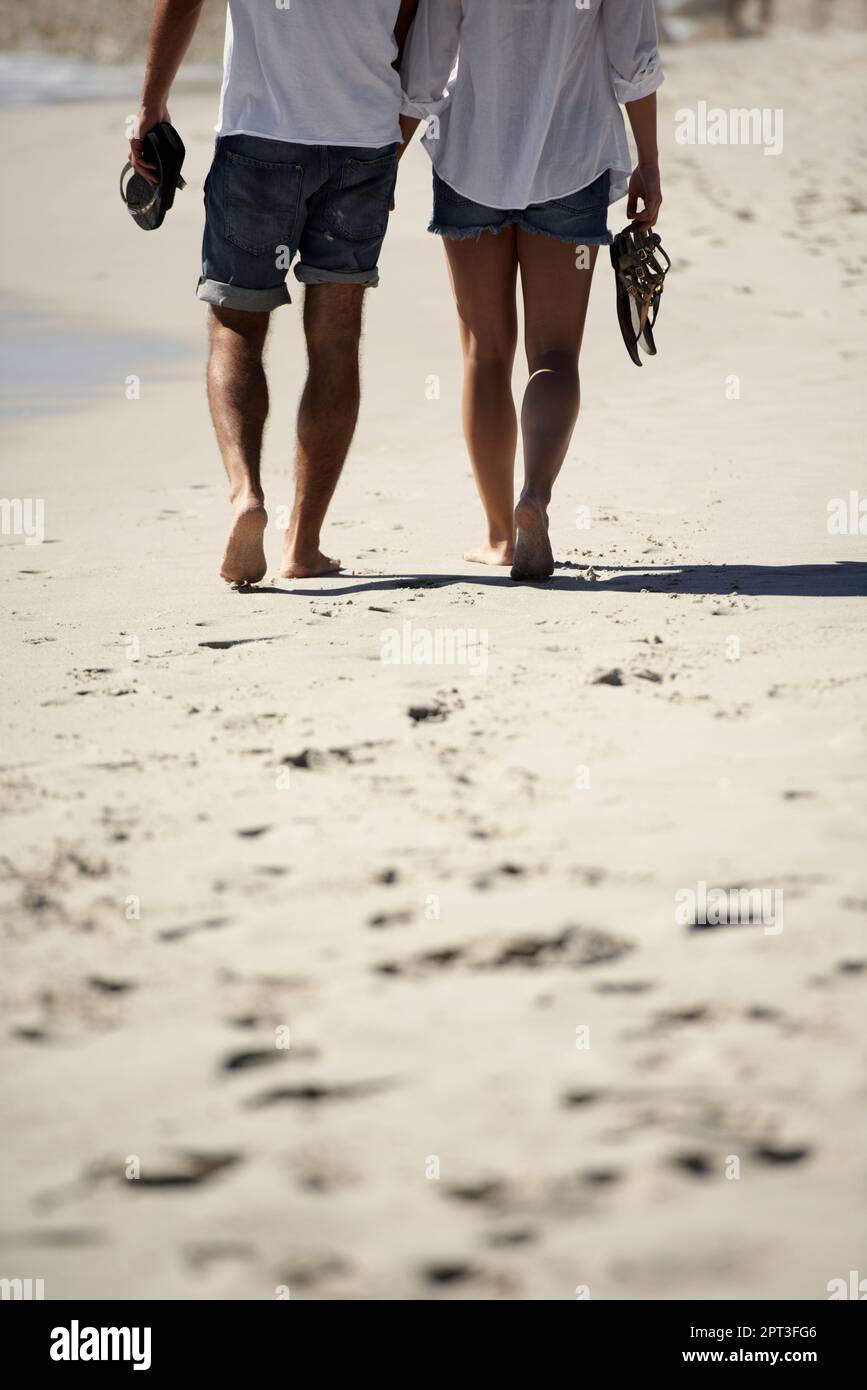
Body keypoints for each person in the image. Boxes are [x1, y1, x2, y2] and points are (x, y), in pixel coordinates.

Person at [129, 0, 419, 584]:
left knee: (236, 326)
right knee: (336, 339)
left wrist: (151, 104)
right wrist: (396, 137)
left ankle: (246, 494)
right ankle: (303, 545)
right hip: (364, 139)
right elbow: (413, 24)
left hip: (260, 136)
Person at [399, 0, 664, 581]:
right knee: (554, 356)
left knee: (485, 355)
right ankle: (535, 499)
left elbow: (425, 68)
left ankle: (498, 535)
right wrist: (649, 162)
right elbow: (633, 62)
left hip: (470, 161)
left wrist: (385, 162)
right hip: (573, 164)